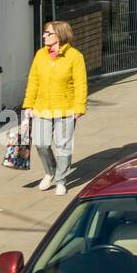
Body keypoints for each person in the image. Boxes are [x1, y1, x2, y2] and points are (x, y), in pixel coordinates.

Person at [22, 20, 87, 195]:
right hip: (42, 107)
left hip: (65, 109)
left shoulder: (75, 56)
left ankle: (61, 180)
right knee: (41, 144)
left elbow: (81, 84)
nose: (44, 36)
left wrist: (79, 107)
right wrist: (28, 104)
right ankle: (50, 172)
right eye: (45, 33)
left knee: (62, 145)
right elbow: (33, 80)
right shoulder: (40, 55)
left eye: (48, 33)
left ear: (59, 35)